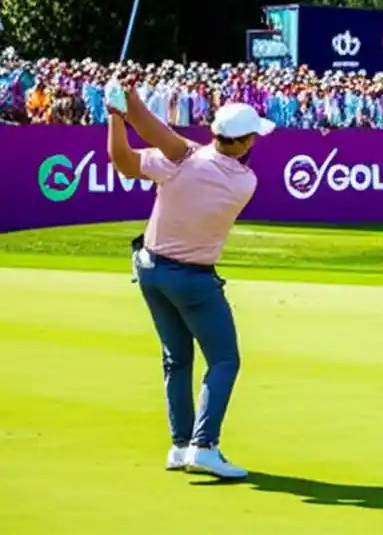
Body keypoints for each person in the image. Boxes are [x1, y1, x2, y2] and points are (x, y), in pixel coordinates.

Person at [105, 83, 274, 479]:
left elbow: (125, 160)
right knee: (225, 359)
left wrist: (120, 108)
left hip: (150, 270)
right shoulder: (243, 180)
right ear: (245, 142)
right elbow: (158, 135)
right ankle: (204, 446)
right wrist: (128, 104)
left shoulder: (184, 160)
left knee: (176, 358)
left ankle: (180, 446)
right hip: (194, 280)